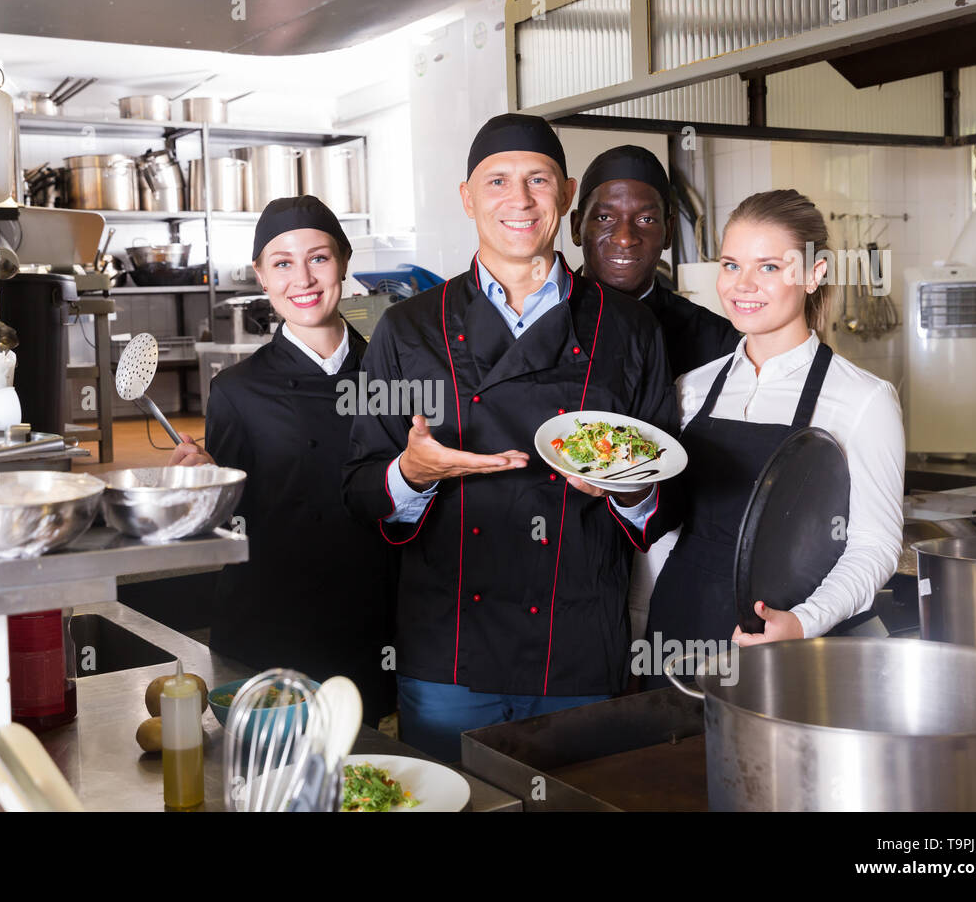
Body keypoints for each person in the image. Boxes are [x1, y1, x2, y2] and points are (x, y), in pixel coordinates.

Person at [342, 113, 678, 762]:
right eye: (497, 180)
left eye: (538, 180)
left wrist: (628, 487)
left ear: (569, 192)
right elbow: (360, 488)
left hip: (579, 651)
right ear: (467, 197)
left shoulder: (630, 329)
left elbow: (667, 499)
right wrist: (412, 473)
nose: (519, 200)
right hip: (449, 654)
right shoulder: (406, 329)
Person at [638, 189, 903, 665]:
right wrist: (642, 625)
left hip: (792, 645)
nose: (743, 285)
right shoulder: (689, 389)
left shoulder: (863, 398)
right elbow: (666, 534)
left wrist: (805, 620)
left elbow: (874, 544)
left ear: (814, 273)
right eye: (731, 264)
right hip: (680, 628)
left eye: (769, 267)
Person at [183, 195, 399, 723]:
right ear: (261, 276)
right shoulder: (236, 390)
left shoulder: (394, 374)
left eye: (319, 258)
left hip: (375, 619)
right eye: (282, 263)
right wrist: (204, 490)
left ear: (344, 263)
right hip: (274, 626)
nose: (302, 278)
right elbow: (229, 527)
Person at [570, 145, 740, 378]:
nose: (625, 238)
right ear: (576, 228)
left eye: (646, 219)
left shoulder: (715, 340)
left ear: (668, 232)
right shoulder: (544, 322)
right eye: (605, 217)